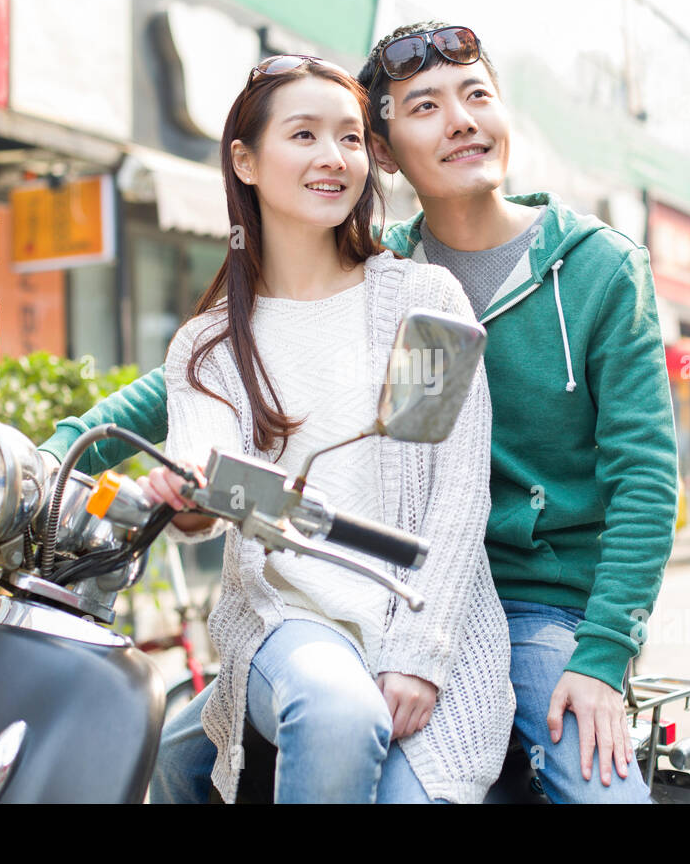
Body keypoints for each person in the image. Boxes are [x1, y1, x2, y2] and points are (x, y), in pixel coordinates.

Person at [40, 22, 678, 803]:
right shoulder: (385, 264)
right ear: (385, 150)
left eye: (477, 96)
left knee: (603, 793)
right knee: (178, 756)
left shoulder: (593, 270)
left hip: (537, 603)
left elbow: (645, 482)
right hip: (361, 588)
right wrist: (67, 446)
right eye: (426, 108)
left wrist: (603, 655)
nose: (462, 121)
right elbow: (206, 374)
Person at [104, 53, 513, 804]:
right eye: (303, 136)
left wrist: (420, 657)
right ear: (245, 161)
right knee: (333, 711)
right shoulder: (209, 344)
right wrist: (187, 490)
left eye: (351, 139)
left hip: (432, 635)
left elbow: (457, 496)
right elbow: (206, 460)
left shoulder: (424, 300)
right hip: (288, 616)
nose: (334, 159)